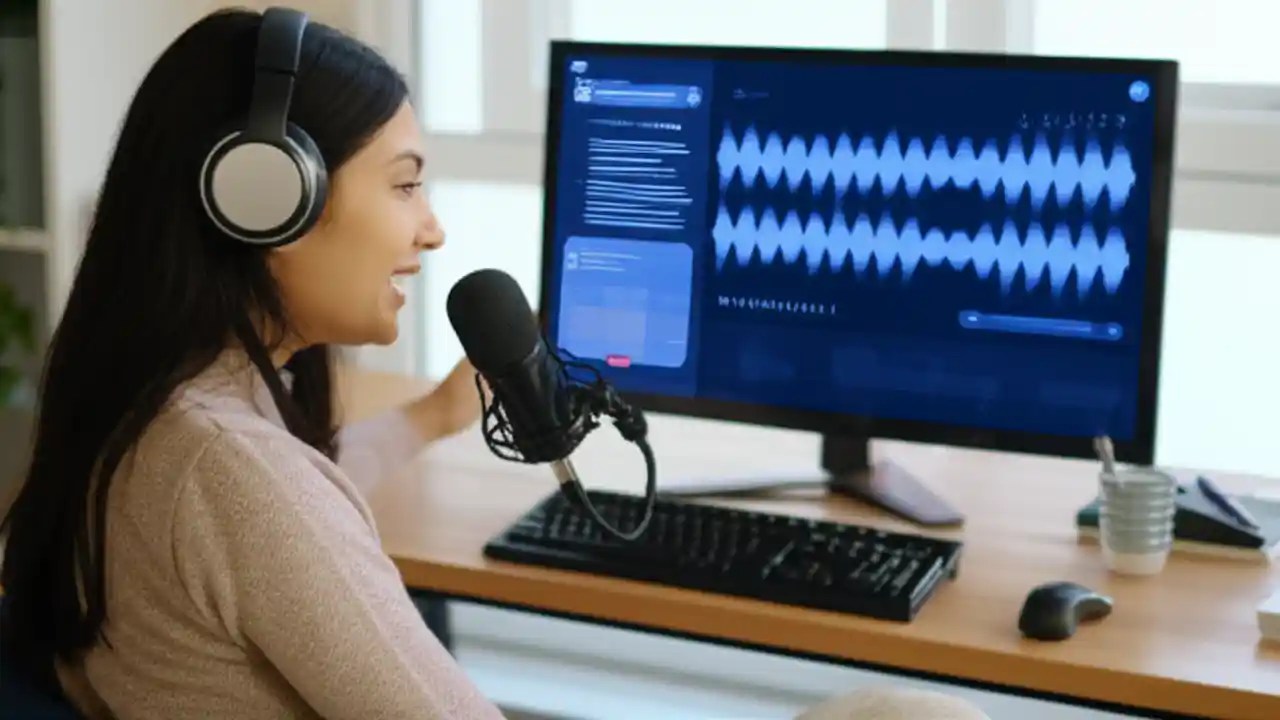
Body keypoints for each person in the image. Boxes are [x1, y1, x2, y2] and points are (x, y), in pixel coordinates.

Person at [0, 7, 990, 719]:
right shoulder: (243, 483)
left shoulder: (150, 416)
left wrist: (433, 416)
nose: (430, 231)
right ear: (266, 200)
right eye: (403, 186)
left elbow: (268, 522)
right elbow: (270, 517)